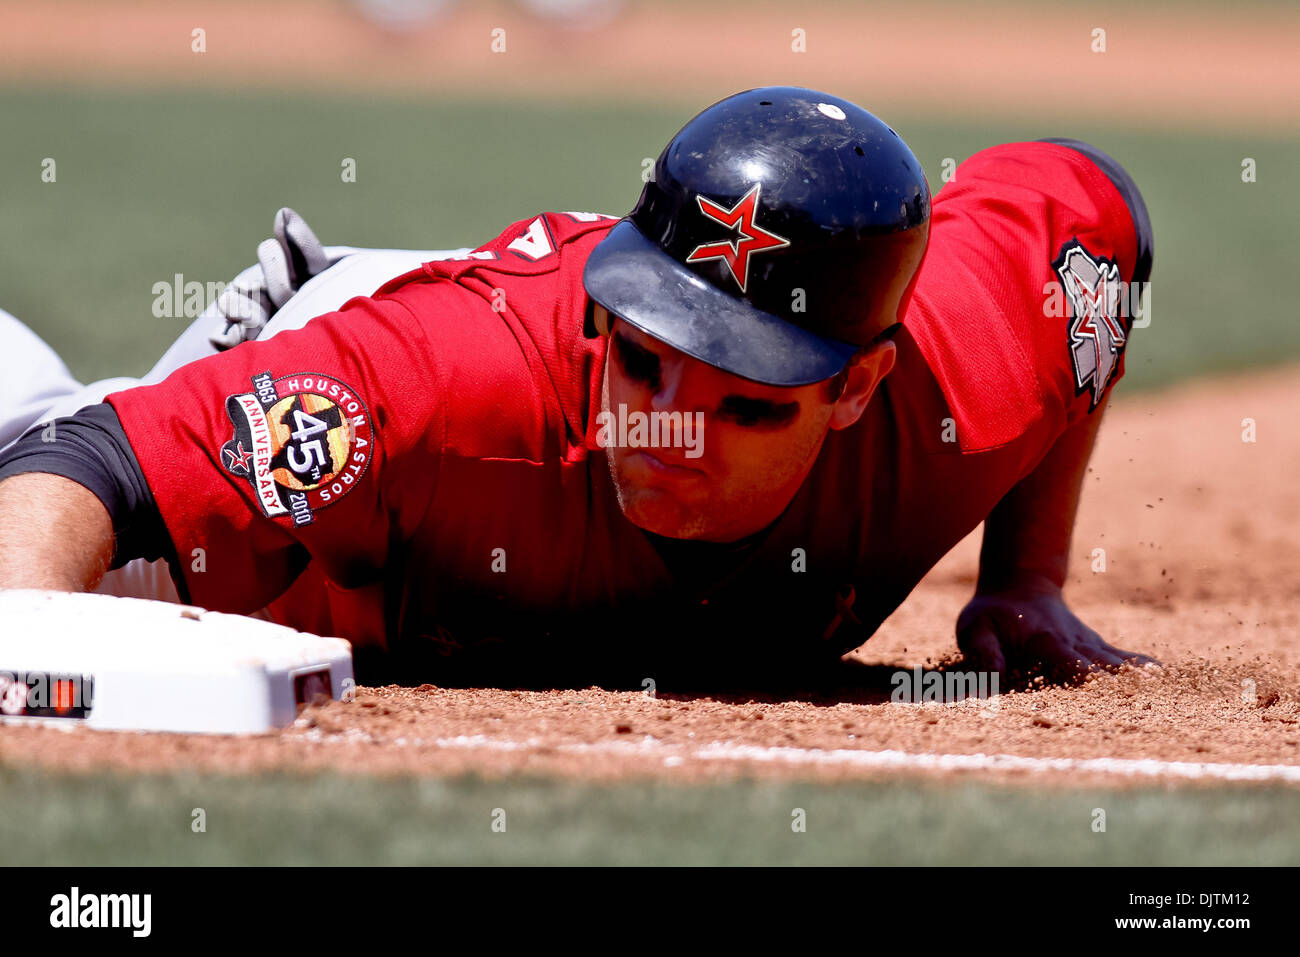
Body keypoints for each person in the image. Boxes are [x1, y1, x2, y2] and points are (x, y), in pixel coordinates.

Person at [0, 86, 1156, 688]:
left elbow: (1094, 215)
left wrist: (1026, 581)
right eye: (645, 356)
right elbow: (87, 462)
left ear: (857, 389)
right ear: (612, 310)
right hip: (330, 445)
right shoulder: (442, 386)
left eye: (745, 398)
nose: (666, 425)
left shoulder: (974, 374)